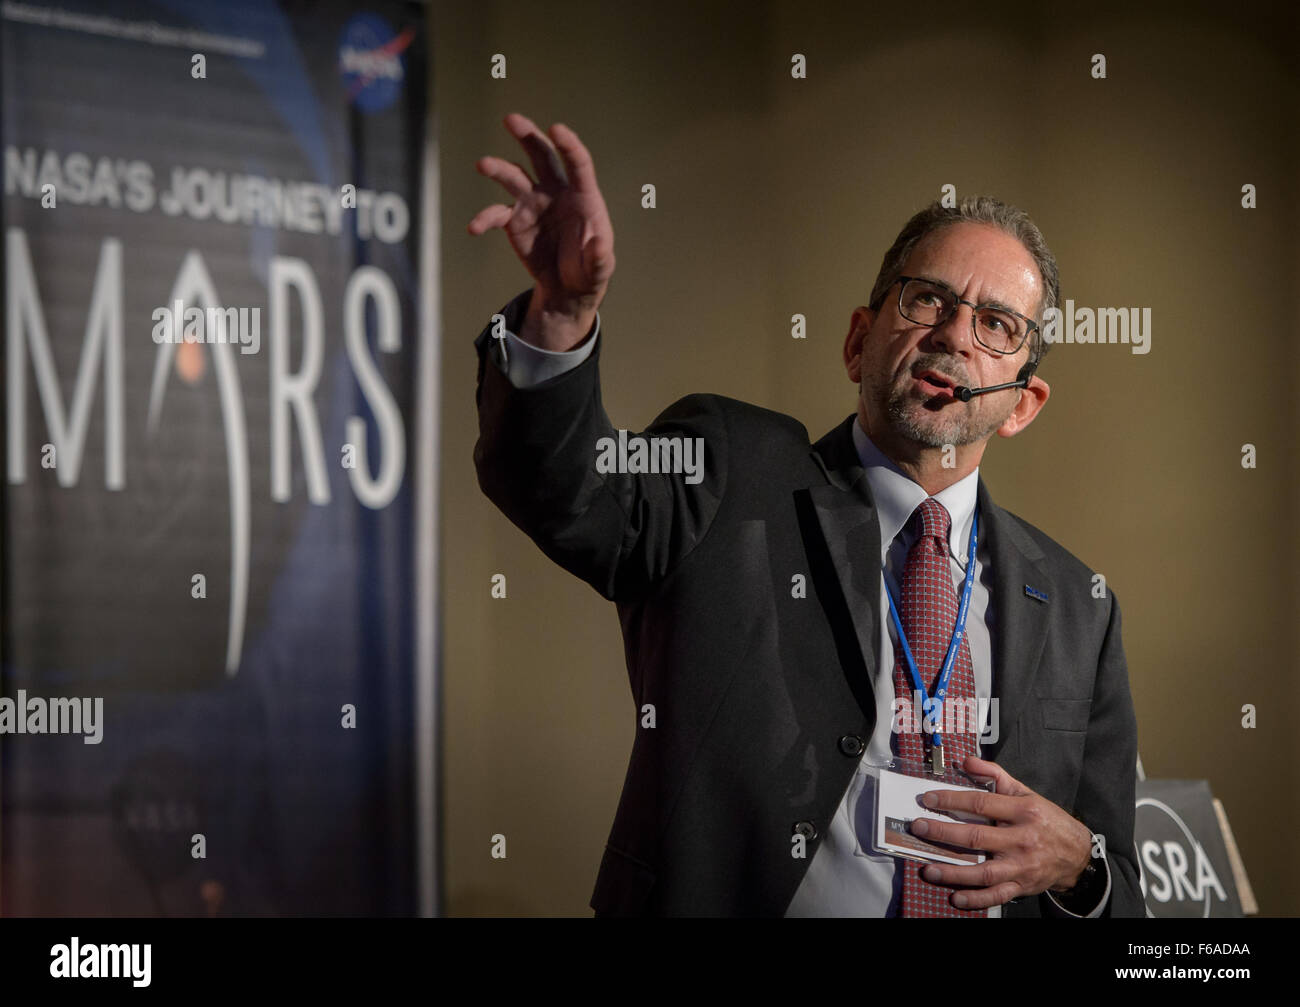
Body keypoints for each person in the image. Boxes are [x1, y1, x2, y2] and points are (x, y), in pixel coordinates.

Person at [468, 112, 1142, 917]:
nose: (955, 336)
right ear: (860, 342)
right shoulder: (731, 470)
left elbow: (1122, 890)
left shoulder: (1079, 605)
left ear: (1023, 404)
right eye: (927, 299)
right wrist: (561, 317)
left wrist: (1083, 865)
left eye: (997, 325)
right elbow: (562, 487)